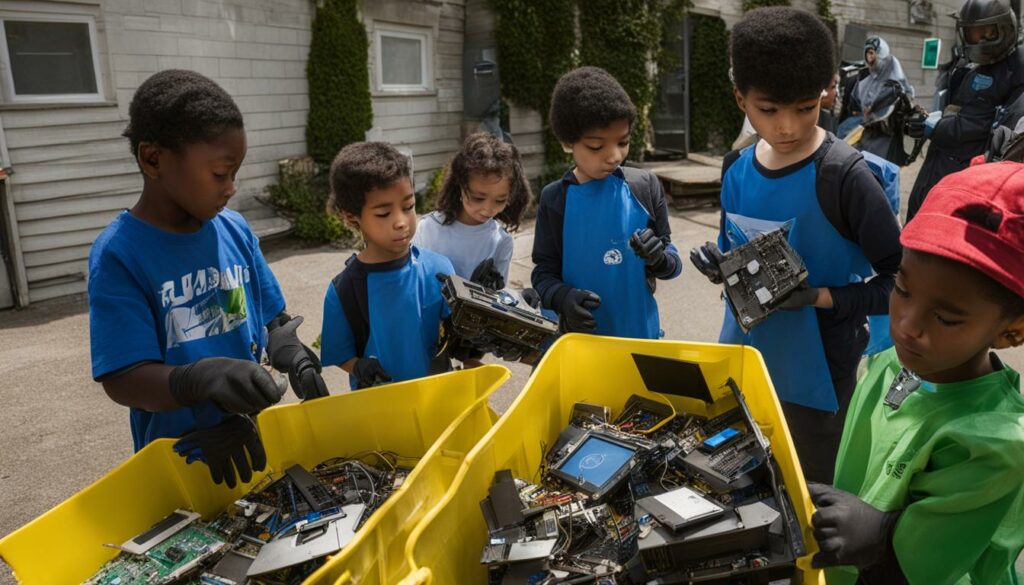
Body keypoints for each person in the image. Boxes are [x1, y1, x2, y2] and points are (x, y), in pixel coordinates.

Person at [691, 7, 903, 484]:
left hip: (821, 377)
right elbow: (736, 250)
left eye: (805, 108)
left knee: (814, 490)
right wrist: (719, 264)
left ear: (827, 92)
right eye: (768, 110)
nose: (787, 126)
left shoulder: (846, 177)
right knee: (748, 483)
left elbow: (900, 283)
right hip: (747, 364)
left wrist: (821, 298)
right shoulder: (736, 168)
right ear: (739, 97)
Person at [88, 70, 325, 488]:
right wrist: (199, 379)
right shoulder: (120, 254)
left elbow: (270, 318)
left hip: (256, 438)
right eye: (220, 174)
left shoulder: (234, 230)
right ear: (153, 159)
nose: (232, 187)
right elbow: (123, 377)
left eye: (236, 173)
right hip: (187, 457)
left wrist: (290, 350)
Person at [809, 161, 1024, 585]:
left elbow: (932, 569)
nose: (906, 324)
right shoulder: (893, 361)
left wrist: (886, 535)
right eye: (902, 290)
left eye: (944, 317)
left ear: (1012, 331)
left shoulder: (994, 442)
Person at [531, 66, 682, 339]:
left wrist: (659, 259)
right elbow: (543, 273)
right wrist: (563, 297)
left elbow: (672, 261)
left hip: (640, 337)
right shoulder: (555, 200)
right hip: (579, 344)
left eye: (623, 142)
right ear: (567, 142)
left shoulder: (644, 186)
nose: (614, 156)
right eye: (596, 146)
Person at [320, 142, 458, 390]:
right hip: (379, 411)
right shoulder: (344, 291)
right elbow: (341, 355)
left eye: (408, 207)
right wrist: (358, 367)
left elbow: (457, 335)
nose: (401, 222)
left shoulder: (439, 269)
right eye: (384, 213)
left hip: (437, 400)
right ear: (351, 217)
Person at [906, 0, 1024, 222]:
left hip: (963, 172)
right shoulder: (975, 68)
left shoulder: (1012, 72)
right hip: (940, 162)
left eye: (985, 32)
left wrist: (931, 126)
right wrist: (929, 120)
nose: (977, 41)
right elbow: (958, 109)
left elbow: (973, 126)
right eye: (972, 34)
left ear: (1004, 29)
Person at [412, 132, 531, 291]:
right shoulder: (428, 229)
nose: (488, 209)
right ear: (460, 187)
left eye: (500, 200)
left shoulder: (501, 241)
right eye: (478, 198)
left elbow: (497, 298)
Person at [836, 36, 915, 140]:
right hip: (864, 120)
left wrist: (872, 108)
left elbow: (895, 90)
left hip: (881, 122)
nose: (870, 58)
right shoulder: (865, 74)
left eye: (872, 53)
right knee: (842, 131)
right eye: (868, 53)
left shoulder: (891, 67)